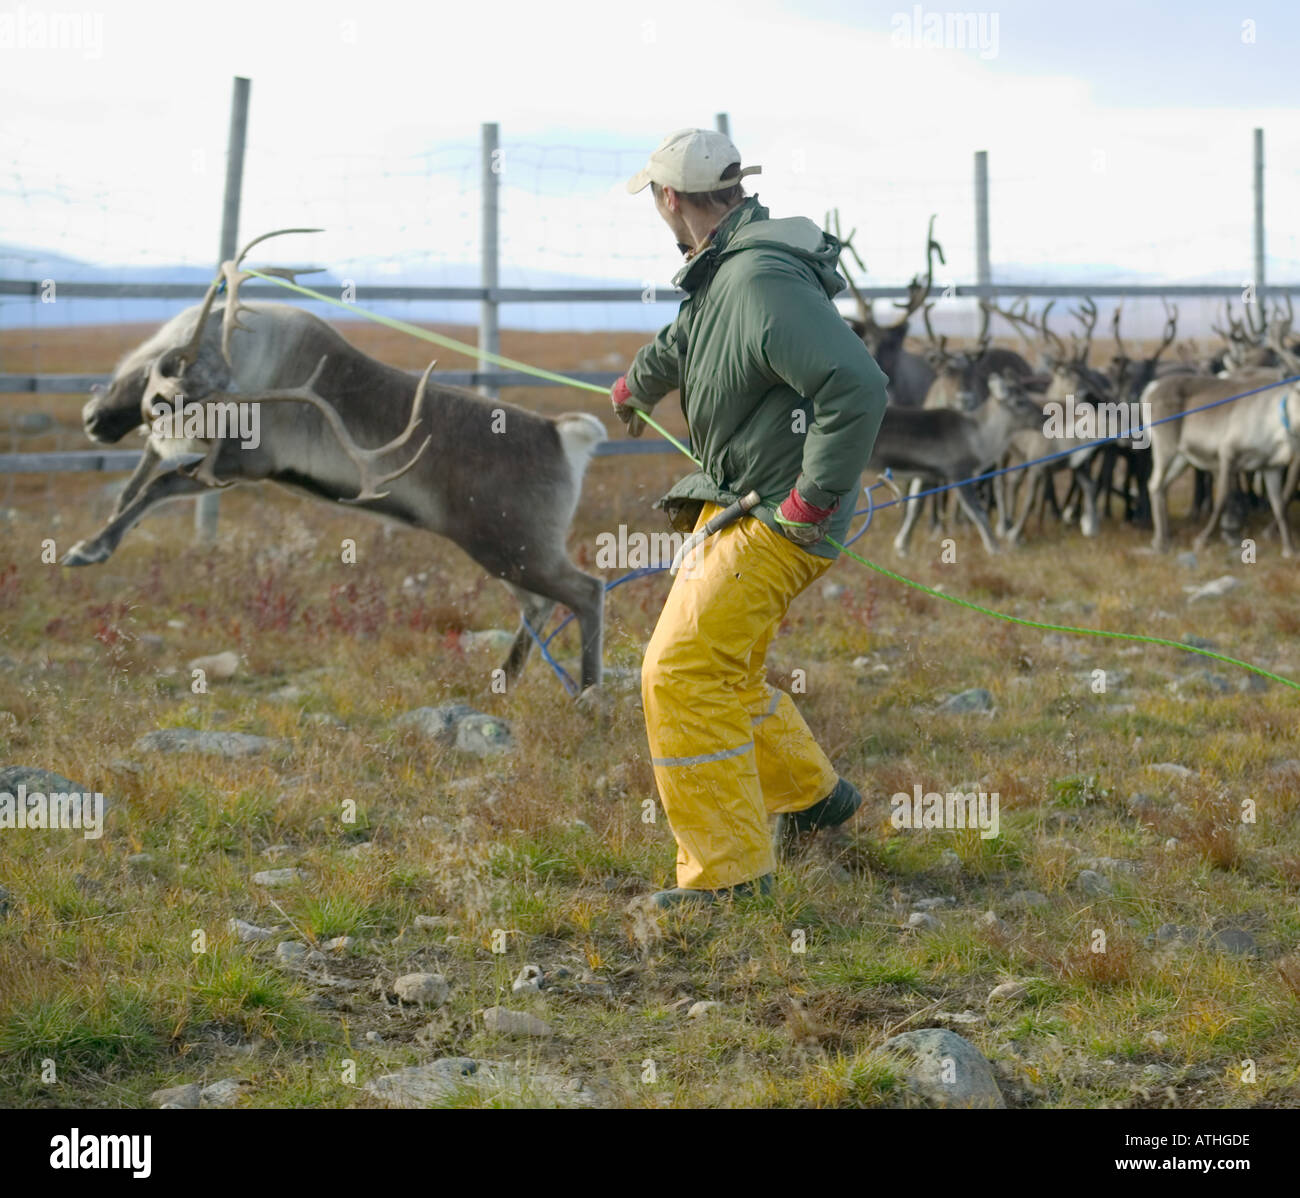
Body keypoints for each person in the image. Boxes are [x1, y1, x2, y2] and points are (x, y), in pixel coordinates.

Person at [611, 128, 890, 908]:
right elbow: (688, 341)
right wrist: (636, 385)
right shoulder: (726, 269)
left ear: (670, 199)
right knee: (723, 669)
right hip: (752, 503)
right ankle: (812, 798)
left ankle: (728, 880)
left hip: (779, 517)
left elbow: (857, 388)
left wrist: (810, 500)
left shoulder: (760, 278)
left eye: (656, 200)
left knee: (682, 674)